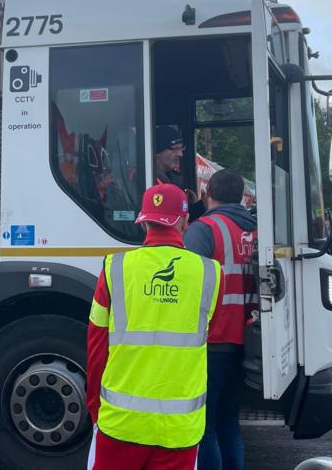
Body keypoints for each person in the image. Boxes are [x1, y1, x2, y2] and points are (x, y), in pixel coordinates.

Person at [87, 183, 223, 470]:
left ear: (144, 221)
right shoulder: (211, 274)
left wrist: (95, 410)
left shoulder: (114, 268)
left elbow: (96, 349)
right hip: (180, 429)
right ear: (185, 221)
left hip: (121, 424)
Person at [183, 169, 256, 470]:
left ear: (206, 193)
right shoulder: (255, 230)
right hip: (247, 339)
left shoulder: (204, 228)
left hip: (213, 338)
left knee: (205, 426)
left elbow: (191, 281)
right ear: (240, 195)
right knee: (229, 423)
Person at [154, 125, 205, 220]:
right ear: (157, 151)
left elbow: (182, 216)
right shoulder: (143, 178)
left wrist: (203, 204)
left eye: (181, 149)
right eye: (174, 149)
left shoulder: (176, 179)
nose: (180, 154)